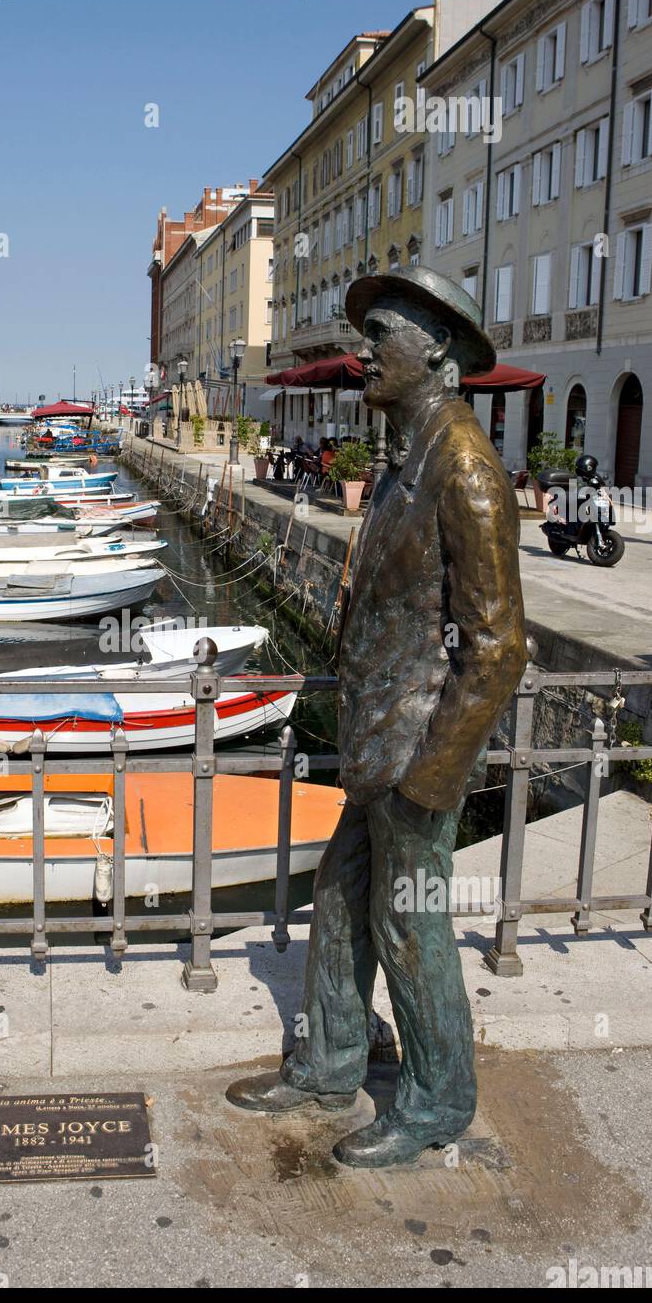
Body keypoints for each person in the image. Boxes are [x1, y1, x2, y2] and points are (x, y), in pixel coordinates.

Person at [227, 266, 527, 1168]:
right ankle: (330, 1060)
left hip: (413, 756)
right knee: (340, 897)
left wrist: (431, 778)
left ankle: (438, 1101)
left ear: (435, 349)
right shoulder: (411, 460)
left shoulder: (464, 472)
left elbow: (497, 647)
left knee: (408, 919)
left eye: (382, 331)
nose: (364, 348)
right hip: (377, 744)